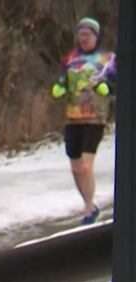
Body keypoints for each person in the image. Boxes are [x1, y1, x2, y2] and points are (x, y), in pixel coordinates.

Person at [51, 16, 117, 225]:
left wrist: (107, 89)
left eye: (87, 35)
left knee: (86, 167)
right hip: (72, 119)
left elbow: (117, 84)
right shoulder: (69, 59)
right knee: (76, 168)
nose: (84, 39)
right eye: (80, 35)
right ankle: (89, 204)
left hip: (94, 118)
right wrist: (59, 88)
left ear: (95, 36)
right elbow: (62, 80)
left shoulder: (108, 59)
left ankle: (88, 208)